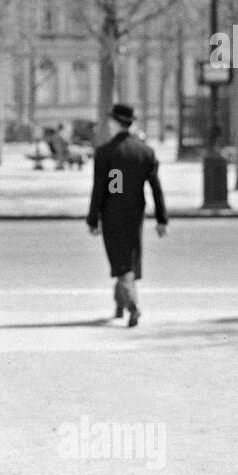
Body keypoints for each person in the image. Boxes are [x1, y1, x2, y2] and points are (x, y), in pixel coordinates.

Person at [87, 103, 167, 327]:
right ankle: (119, 304)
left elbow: (101, 189)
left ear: (114, 123)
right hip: (135, 214)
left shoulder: (105, 153)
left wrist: (93, 219)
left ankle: (132, 305)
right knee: (128, 259)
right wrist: (162, 219)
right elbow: (156, 188)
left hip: (112, 214)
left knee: (121, 263)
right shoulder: (145, 152)